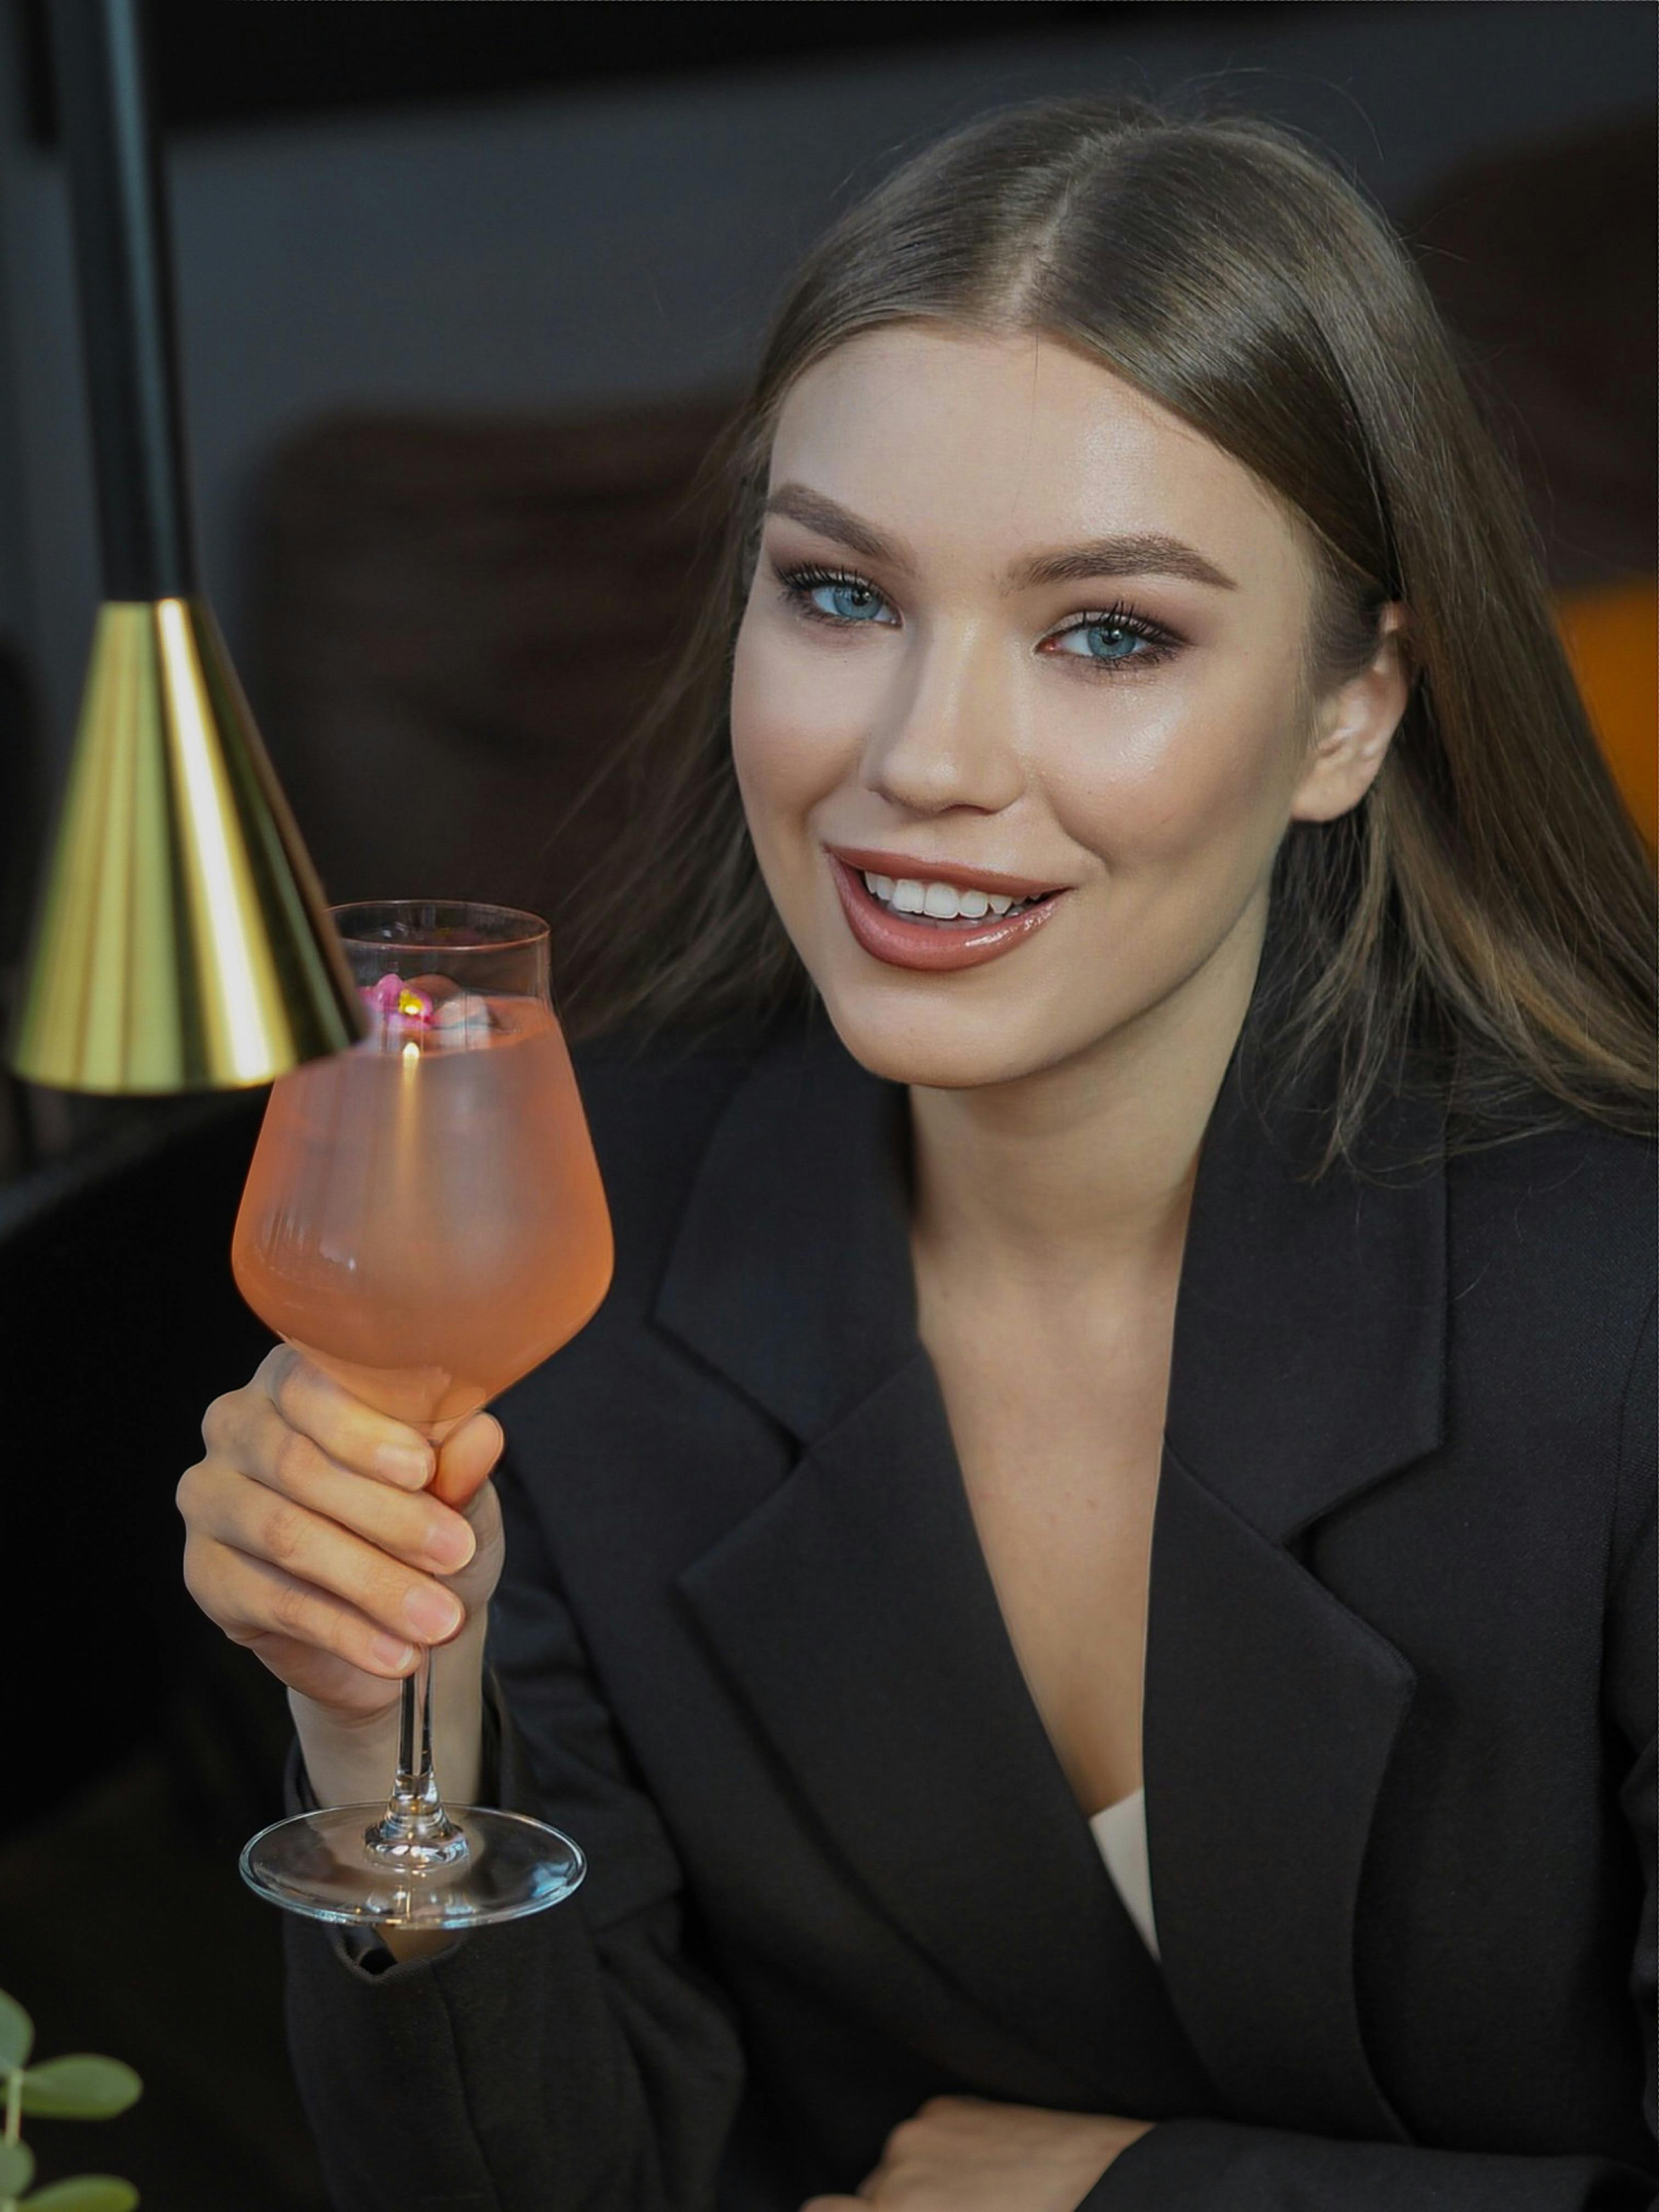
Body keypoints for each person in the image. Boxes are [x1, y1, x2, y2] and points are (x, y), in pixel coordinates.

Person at [176, 93, 1656, 2211]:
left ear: (1350, 711)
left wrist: (1125, 2199)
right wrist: (384, 1737)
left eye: (1110, 633)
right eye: (843, 596)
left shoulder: (1625, 1304)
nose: (921, 762)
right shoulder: (558, 1259)